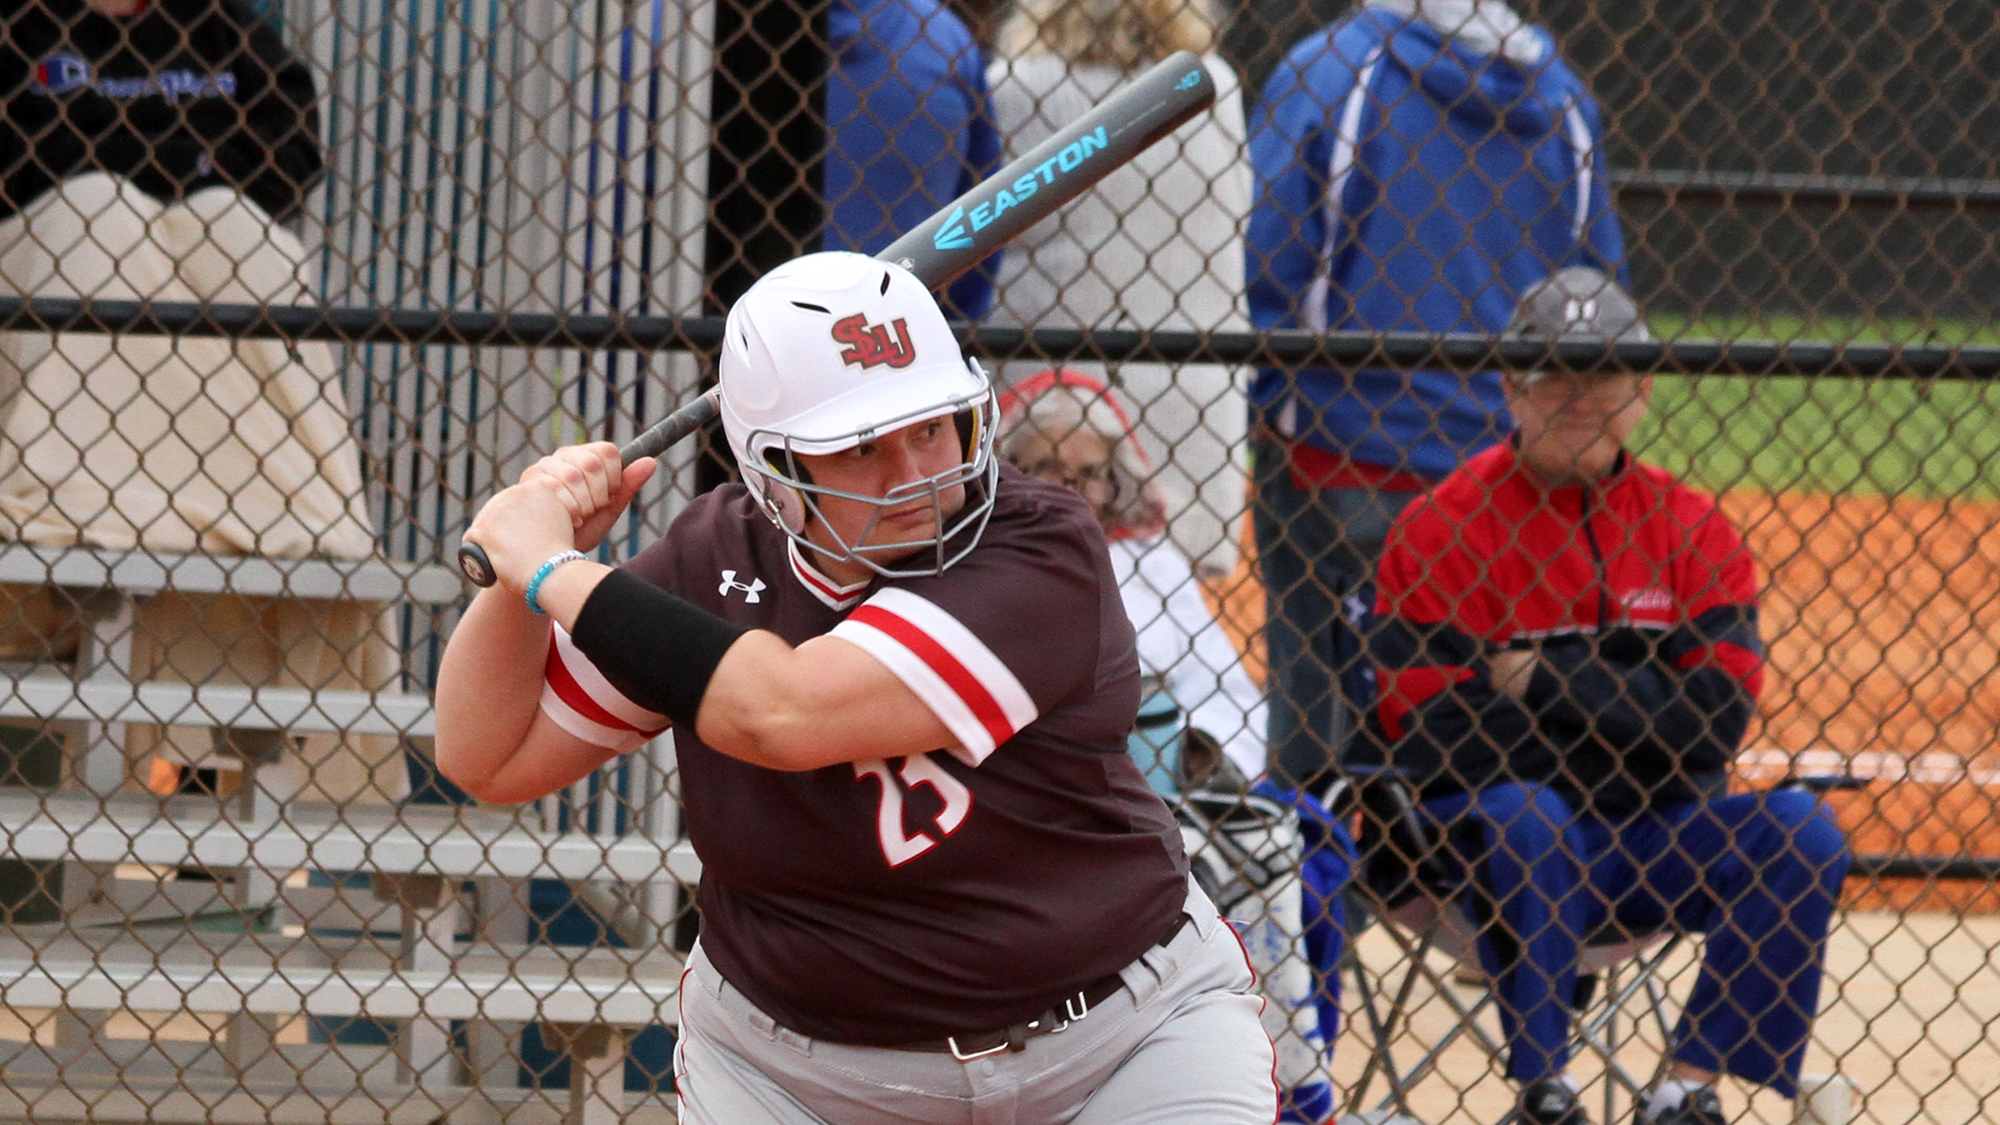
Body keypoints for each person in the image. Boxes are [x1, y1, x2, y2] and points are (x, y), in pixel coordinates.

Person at [435, 251, 1277, 1124]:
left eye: (932, 426)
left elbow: (785, 712)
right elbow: (487, 756)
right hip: (795, 1076)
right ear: (771, 468)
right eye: (862, 446)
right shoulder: (714, 559)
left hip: (1119, 1045)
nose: (915, 474)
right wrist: (517, 572)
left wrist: (554, 568)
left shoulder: (1039, 547)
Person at [1368, 268, 1852, 1125]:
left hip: (1652, 843)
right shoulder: (1441, 525)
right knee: (1528, 811)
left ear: (1643, 389)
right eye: (1553, 372)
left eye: (1604, 373)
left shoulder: (1692, 527)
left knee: (1802, 831)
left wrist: (1546, 678)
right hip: (1480, 853)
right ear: (1510, 386)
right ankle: (1545, 1091)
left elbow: (1715, 724)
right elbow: (1435, 734)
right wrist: (1638, 719)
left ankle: (1685, 1091)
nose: (1579, 396)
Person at [0, 0, 394, 803]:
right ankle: (100, 494)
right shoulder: (22, 24)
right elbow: (26, 166)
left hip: (191, 252)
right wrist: (177, 159)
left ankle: (296, 511)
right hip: (50, 250)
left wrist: (134, 157)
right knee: (101, 213)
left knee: (235, 231)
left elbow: (284, 160)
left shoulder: (218, 25)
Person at [1244, 0, 1628, 795]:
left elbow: (1263, 266)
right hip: (1512, 471)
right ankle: (1495, 868)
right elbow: (1597, 292)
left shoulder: (1334, 69)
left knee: (1320, 724)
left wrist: (1282, 407)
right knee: (1488, 731)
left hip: (1344, 454)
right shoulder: (1561, 96)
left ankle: (1316, 872)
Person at [994, 367, 1339, 1124]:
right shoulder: (987, 566)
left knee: (1310, 855)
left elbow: (1229, 692)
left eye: (1088, 472)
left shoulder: (1151, 562)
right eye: (1045, 466)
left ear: (1115, 482)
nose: (1070, 488)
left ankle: (1285, 1088)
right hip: (1051, 806)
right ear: (1009, 468)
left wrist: (1198, 751)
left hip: (1176, 787)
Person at [984, 0, 1252, 579]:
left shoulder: (1017, 86)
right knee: (1170, 589)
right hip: (1192, 372)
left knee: (1041, 579)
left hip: (1050, 374)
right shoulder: (1211, 82)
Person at [825, 0, 1003, 321]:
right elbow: (983, 214)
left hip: (746, 328)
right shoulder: (941, 35)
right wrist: (951, 333)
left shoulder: (940, 34)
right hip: (898, 329)